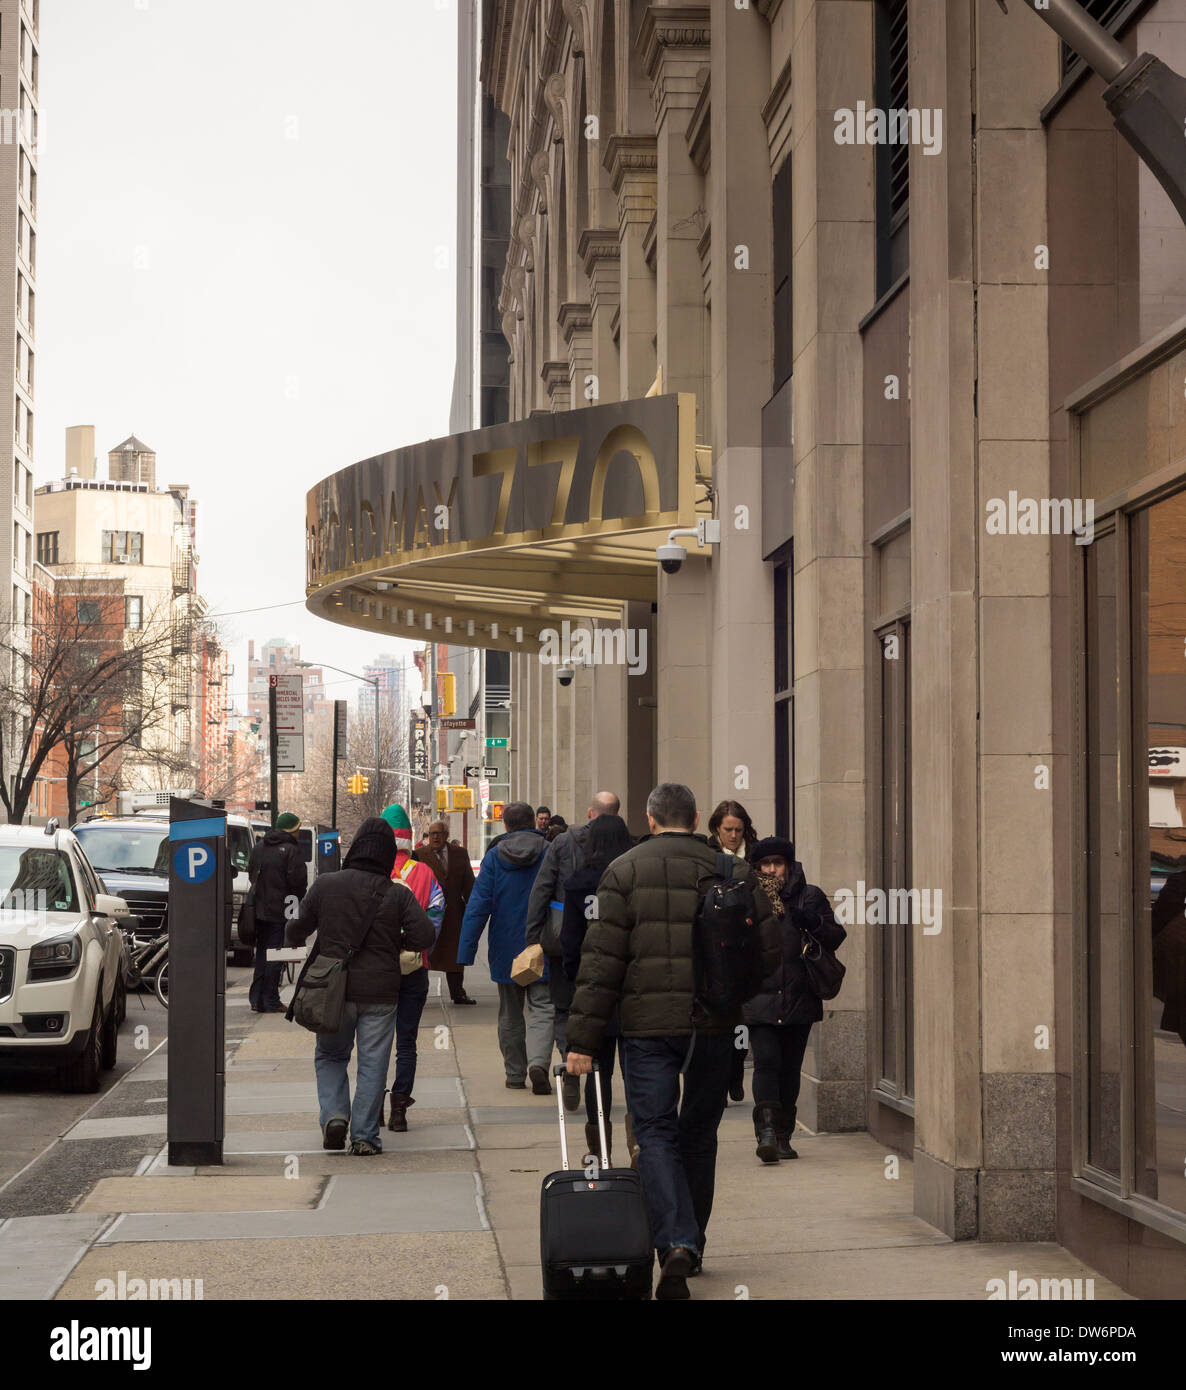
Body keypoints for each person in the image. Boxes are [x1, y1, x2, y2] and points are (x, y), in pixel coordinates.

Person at [565, 782, 779, 1300]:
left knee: (656, 1133)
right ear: (698, 817)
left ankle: (675, 1241)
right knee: (700, 1135)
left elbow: (601, 964)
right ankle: (693, 1243)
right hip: (713, 1024)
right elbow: (770, 948)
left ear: (651, 818)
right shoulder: (733, 870)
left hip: (647, 1026)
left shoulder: (626, 870)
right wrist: (735, 999)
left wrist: (582, 1039)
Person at [286, 817, 434, 1155]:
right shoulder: (396, 893)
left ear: (354, 850)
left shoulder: (326, 885)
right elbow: (425, 935)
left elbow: (298, 930)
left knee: (330, 1054)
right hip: (381, 991)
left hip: (332, 991)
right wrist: (397, 941)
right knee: (373, 1063)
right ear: (384, 855)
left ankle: (336, 1115)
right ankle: (365, 1136)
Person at [743, 836, 846, 1164]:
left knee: (789, 1070)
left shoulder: (809, 895)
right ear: (757, 868)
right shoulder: (748, 896)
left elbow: (835, 936)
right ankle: (767, 1133)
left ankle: (784, 1135)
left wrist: (811, 921)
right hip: (760, 996)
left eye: (778, 863)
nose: (772, 870)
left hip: (799, 995)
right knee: (767, 1063)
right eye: (766, 864)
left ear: (788, 865)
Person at [525, 790, 622, 1111]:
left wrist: (533, 936)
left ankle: (570, 1066)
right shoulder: (626, 846)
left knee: (565, 1008)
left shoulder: (564, 843)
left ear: (591, 812)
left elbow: (541, 887)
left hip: (568, 940)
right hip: (613, 950)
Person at [457, 802, 553, 1093]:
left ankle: (514, 1073)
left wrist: (466, 951)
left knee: (510, 1012)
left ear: (506, 826)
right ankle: (539, 1063)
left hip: (506, 947)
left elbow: (477, 906)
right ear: (534, 823)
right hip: (542, 943)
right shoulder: (550, 852)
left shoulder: (495, 857)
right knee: (543, 1008)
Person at [559, 812, 635, 1166]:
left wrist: (579, 983)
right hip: (633, 989)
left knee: (596, 1070)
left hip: (593, 987)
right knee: (637, 1070)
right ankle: (640, 1144)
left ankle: (599, 1147)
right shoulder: (635, 880)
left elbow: (570, 944)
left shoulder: (577, 884)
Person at [379, 804, 446, 1132]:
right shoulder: (425, 874)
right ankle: (400, 1108)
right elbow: (436, 917)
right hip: (413, 968)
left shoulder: (372, 875)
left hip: (376, 971)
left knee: (374, 1040)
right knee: (406, 1041)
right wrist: (422, 951)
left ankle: (373, 1103)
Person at [707, 800, 760, 1104]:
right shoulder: (709, 856)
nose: (734, 835)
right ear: (717, 828)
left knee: (742, 1020)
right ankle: (723, 1072)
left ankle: (736, 1069)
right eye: (728, 829)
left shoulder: (754, 856)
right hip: (718, 944)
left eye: (739, 830)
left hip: (745, 944)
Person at [246, 811, 307, 1012]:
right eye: (297, 830)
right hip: (280, 911)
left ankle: (256, 999)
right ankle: (270, 999)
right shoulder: (292, 850)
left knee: (262, 953)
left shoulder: (259, 847)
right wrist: (296, 910)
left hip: (259, 911)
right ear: (292, 830)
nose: (298, 834)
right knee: (276, 954)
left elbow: (251, 874)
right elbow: (297, 884)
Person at [414, 819, 477, 1005]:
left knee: (455, 955)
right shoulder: (419, 855)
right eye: (432, 833)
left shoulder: (459, 853)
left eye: (438, 833)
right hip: (429, 915)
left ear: (446, 835)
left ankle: (458, 993)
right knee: (423, 956)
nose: (435, 837)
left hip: (454, 914)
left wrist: (472, 908)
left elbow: (468, 883)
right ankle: (418, 994)